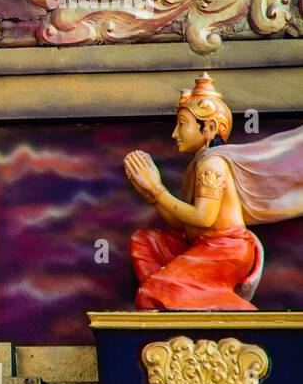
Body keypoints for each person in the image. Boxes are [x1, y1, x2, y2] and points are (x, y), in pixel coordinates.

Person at [124, 73, 303, 309]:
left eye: (182, 125)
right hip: (201, 245)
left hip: (225, 250)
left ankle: (236, 309)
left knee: (154, 292)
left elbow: (204, 217)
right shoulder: (199, 163)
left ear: (208, 127)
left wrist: (158, 191)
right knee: (144, 241)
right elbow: (182, 225)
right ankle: (178, 298)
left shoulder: (213, 164)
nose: (175, 134)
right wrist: (150, 195)